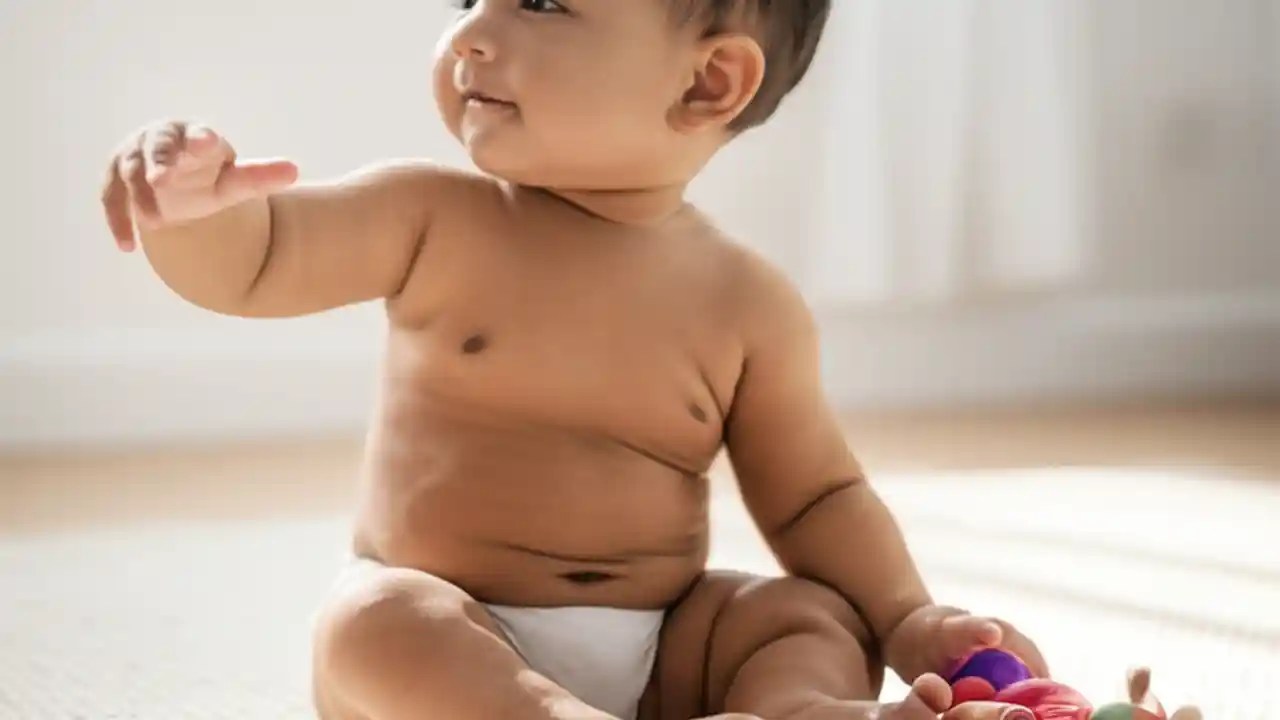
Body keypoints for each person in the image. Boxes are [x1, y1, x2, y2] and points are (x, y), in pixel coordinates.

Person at [99, 2, 1045, 718]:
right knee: (372, 621)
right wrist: (194, 214)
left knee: (805, 618)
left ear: (709, 83)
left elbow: (814, 498)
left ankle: (794, 710)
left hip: (667, 642)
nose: (471, 30)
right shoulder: (433, 217)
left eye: (541, 0)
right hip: (458, 630)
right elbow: (261, 260)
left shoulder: (747, 302)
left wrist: (906, 618)